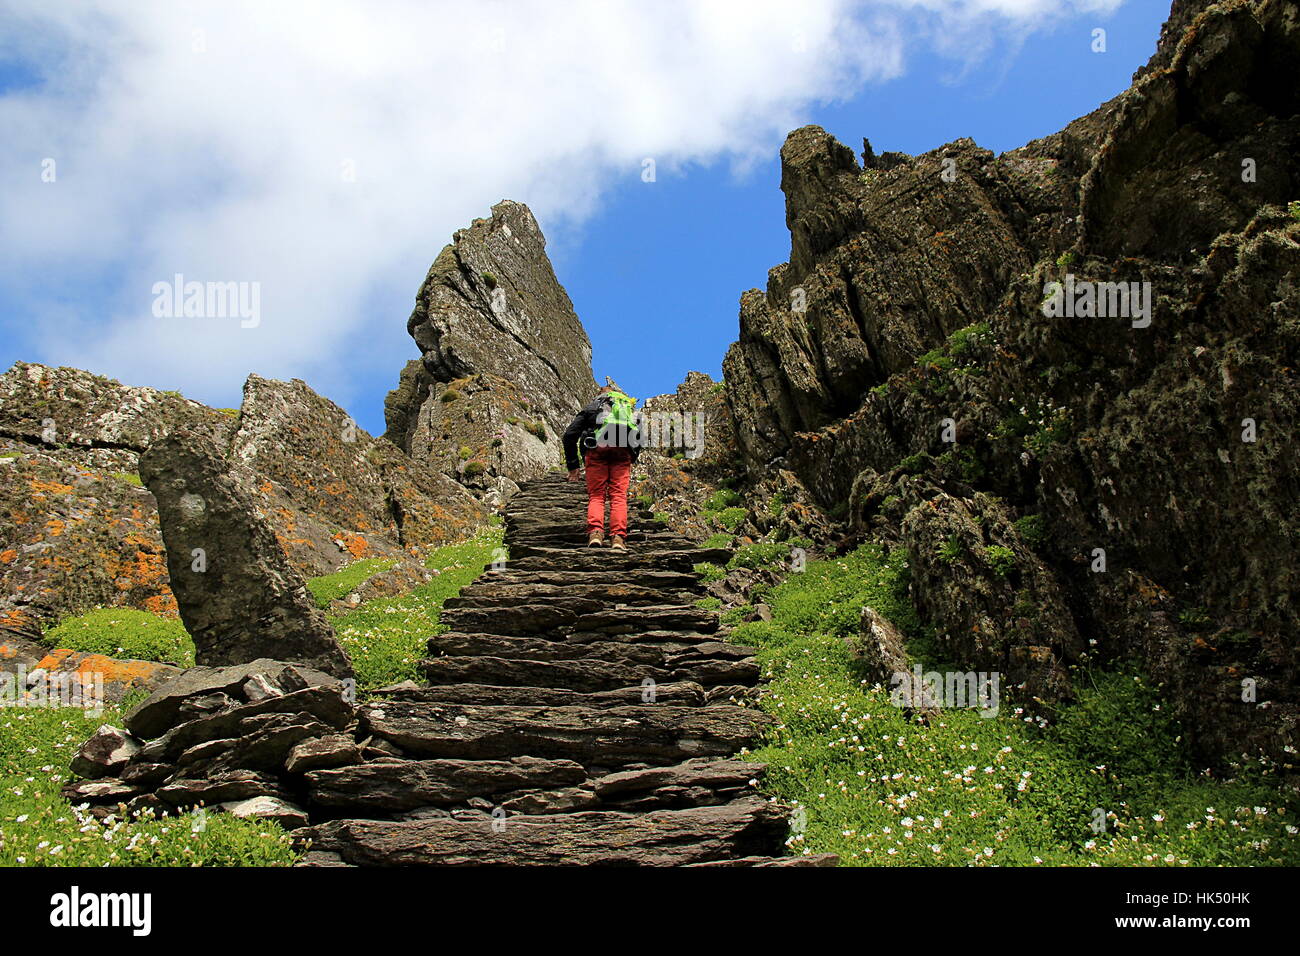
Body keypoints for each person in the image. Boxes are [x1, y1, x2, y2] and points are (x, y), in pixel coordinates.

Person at [562, 384, 641, 550]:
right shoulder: (629, 410)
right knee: (619, 496)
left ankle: (596, 534)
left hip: (596, 450)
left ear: (599, 396)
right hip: (622, 452)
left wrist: (573, 466)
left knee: (597, 496)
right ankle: (618, 538)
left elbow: (569, 435)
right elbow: (639, 438)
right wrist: (631, 457)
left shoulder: (592, 408)